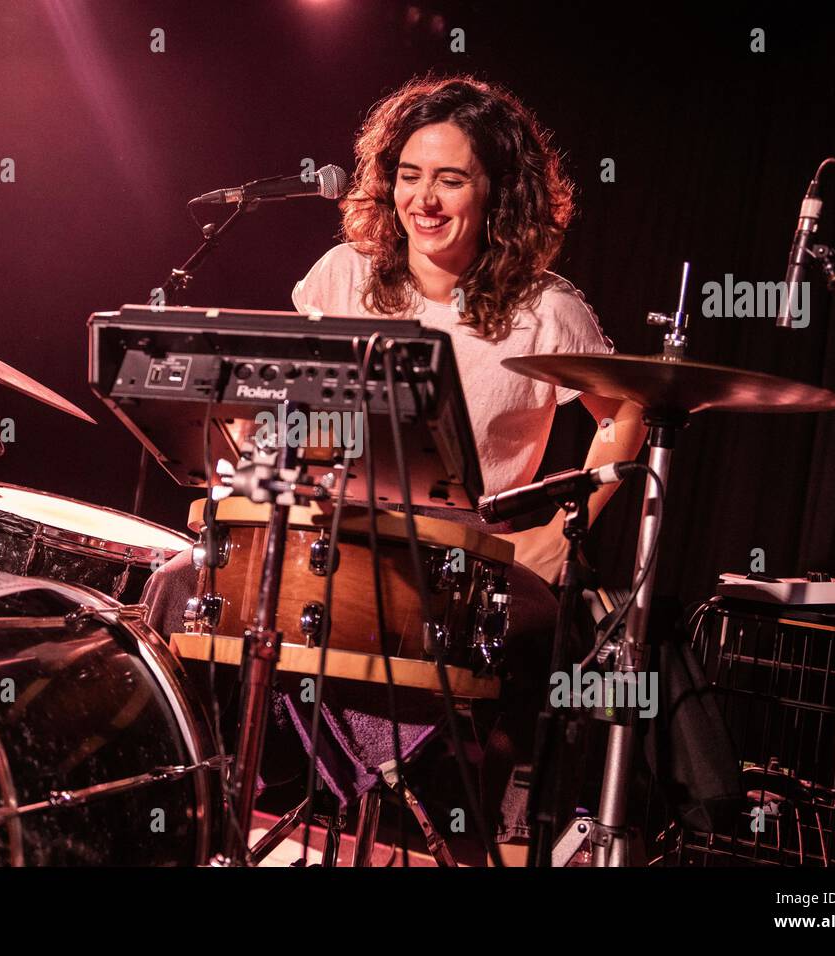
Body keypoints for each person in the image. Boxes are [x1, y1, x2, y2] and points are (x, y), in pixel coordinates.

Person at [144, 74, 646, 864]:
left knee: (471, 622)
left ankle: (435, 821)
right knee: (180, 582)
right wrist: (242, 465)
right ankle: (195, 806)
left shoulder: (547, 307)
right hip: (325, 526)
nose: (425, 200)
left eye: (450, 179)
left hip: (460, 558)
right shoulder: (344, 272)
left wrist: (558, 535)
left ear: (498, 192)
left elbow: (626, 414)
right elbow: (282, 404)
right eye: (409, 176)